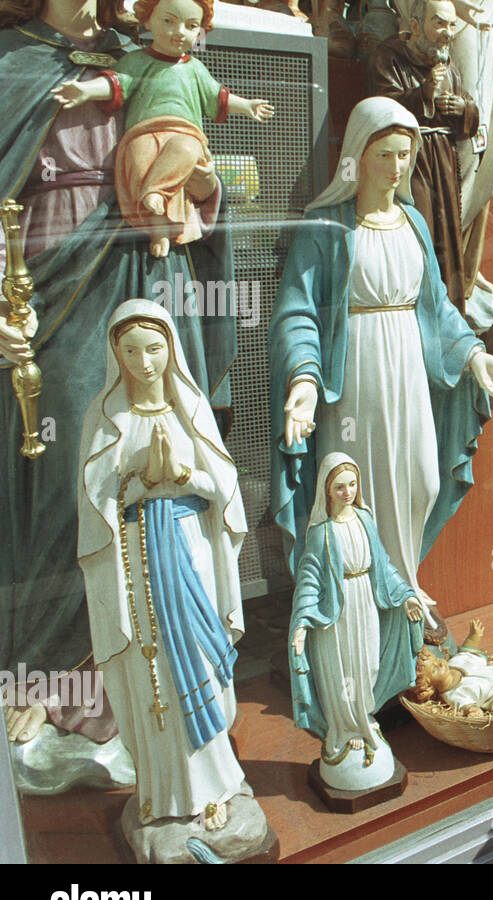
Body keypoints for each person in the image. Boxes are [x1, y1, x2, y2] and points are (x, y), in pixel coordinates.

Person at [0, 0, 235, 749]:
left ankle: (151, 671)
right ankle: (46, 672)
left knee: (149, 459)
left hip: (143, 275)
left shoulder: (148, 55)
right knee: (69, 469)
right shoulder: (13, 64)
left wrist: (203, 187)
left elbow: (192, 161)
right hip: (49, 293)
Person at [269, 97, 493, 646]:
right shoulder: (326, 227)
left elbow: (437, 307)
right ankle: (366, 607)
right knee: (361, 490)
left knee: (421, 478)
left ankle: (403, 583)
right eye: (386, 154)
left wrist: (475, 355)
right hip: (356, 374)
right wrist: (304, 381)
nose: (398, 166)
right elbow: (297, 311)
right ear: (357, 155)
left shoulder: (415, 225)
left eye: (406, 154)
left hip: (409, 369)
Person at [77, 299, 247, 831]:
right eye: (130, 351)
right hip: (134, 562)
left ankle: (216, 784)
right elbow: (93, 507)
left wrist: (182, 478)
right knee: (151, 669)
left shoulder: (189, 410)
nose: (144, 362)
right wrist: (136, 483)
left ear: (171, 349)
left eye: (154, 348)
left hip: (190, 550)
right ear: (115, 354)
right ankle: (160, 790)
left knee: (194, 655)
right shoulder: (106, 420)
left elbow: (225, 490)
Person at [50, 0, 274, 257]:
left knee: (185, 154)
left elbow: (217, 98)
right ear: (147, 21)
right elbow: (116, 84)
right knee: (143, 164)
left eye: (191, 26)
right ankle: (158, 230)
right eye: (169, 21)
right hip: (142, 133)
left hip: (184, 134)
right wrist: (86, 90)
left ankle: (157, 199)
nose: (179, 31)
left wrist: (246, 105)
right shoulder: (135, 61)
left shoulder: (195, 69)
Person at [288, 452, 424, 783]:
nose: (347, 492)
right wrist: (303, 624)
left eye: (352, 484)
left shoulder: (365, 519)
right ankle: (346, 726)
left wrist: (405, 596)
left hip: (365, 600)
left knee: (366, 665)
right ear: (326, 490)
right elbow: (309, 578)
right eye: (339, 487)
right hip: (336, 614)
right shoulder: (321, 532)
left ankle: (364, 718)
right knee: (342, 670)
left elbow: (383, 565)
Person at [366, 0, 479, 312]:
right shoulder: (388, 58)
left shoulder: (450, 69)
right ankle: (413, 314)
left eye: (451, 25)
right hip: (407, 165)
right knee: (418, 233)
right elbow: (381, 111)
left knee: (447, 240)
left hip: (443, 164)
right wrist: (422, 95)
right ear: (415, 26)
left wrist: (463, 110)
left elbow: (469, 117)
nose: (447, 33)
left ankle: (448, 319)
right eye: (439, 23)